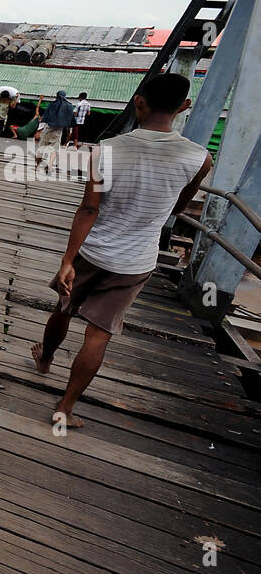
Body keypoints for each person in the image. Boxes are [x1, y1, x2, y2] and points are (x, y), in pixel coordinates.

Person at [31, 73, 211, 428]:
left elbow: (89, 209)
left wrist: (68, 260)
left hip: (92, 252)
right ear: (185, 107)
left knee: (64, 308)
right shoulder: (199, 159)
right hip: (135, 262)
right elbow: (178, 208)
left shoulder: (106, 149)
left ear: (138, 102)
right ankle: (65, 408)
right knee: (99, 335)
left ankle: (45, 358)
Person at [34, 91, 73, 176]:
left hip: (48, 129)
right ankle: (50, 165)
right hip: (58, 131)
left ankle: (37, 166)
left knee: (41, 148)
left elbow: (45, 118)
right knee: (54, 150)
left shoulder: (52, 105)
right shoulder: (69, 106)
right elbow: (71, 120)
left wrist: (39, 130)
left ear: (56, 96)